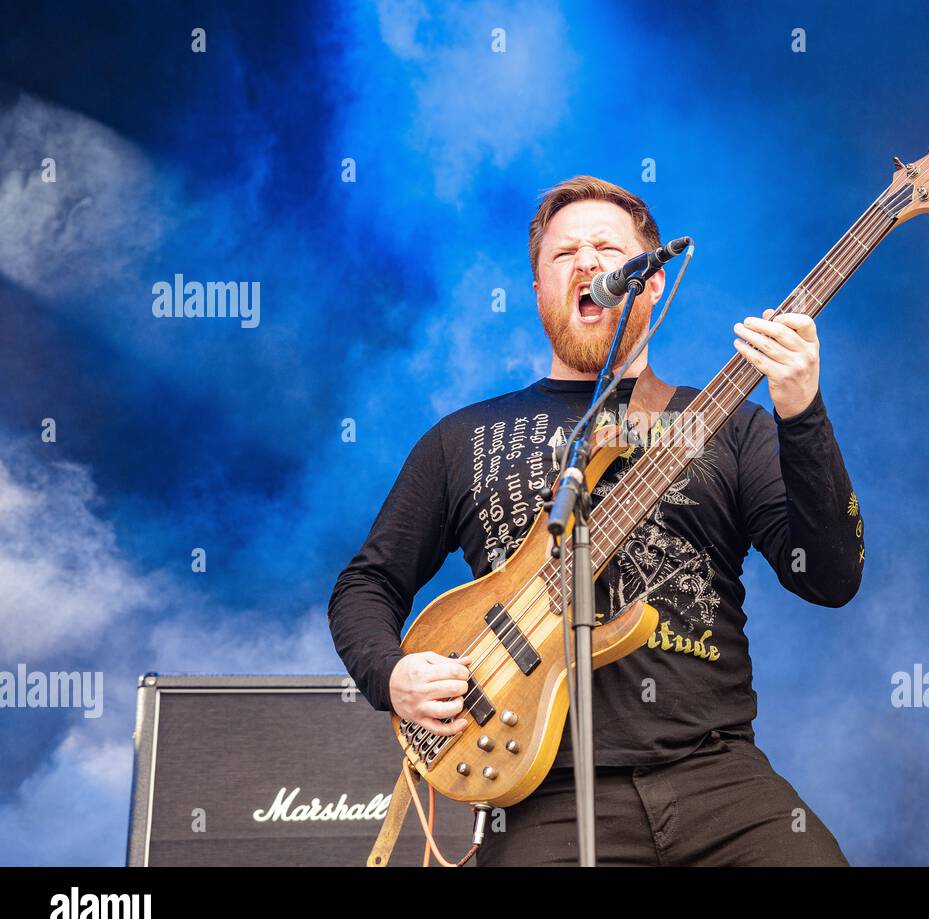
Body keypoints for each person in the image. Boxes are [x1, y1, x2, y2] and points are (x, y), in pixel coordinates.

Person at [328, 175, 863, 865]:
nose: (585, 262)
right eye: (562, 254)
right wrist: (393, 674)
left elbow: (830, 576)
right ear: (539, 294)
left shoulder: (726, 424)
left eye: (608, 248)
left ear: (651, 283)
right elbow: (363, 587)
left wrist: (802, 411)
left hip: (717, 776)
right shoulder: (462, 439)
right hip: (541, 794)